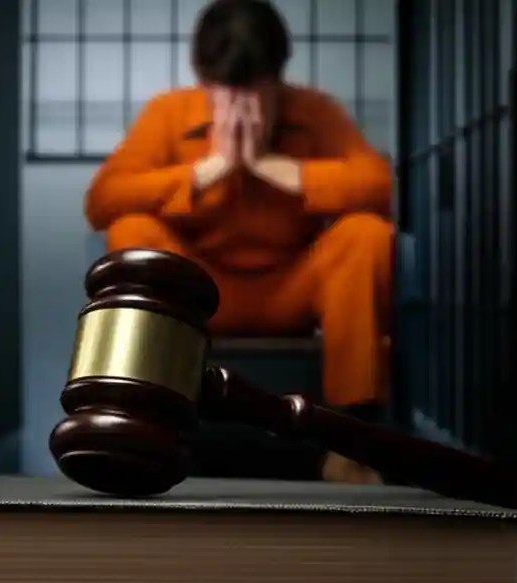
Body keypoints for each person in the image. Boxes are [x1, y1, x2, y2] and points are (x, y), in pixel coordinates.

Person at [83, 0, 393, 484]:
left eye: (257, 95)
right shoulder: (169, 113)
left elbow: (378, 185)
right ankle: (148, 424)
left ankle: (352, 441)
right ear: (204, 82)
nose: (242, 111)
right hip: (201, 295)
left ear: (278, 81)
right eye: (226, 95)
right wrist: (208, 171)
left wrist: (278, 169)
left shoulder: (314, 111)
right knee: (131, 231)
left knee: (365, 234)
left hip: (290, 293)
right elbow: (102, 200)